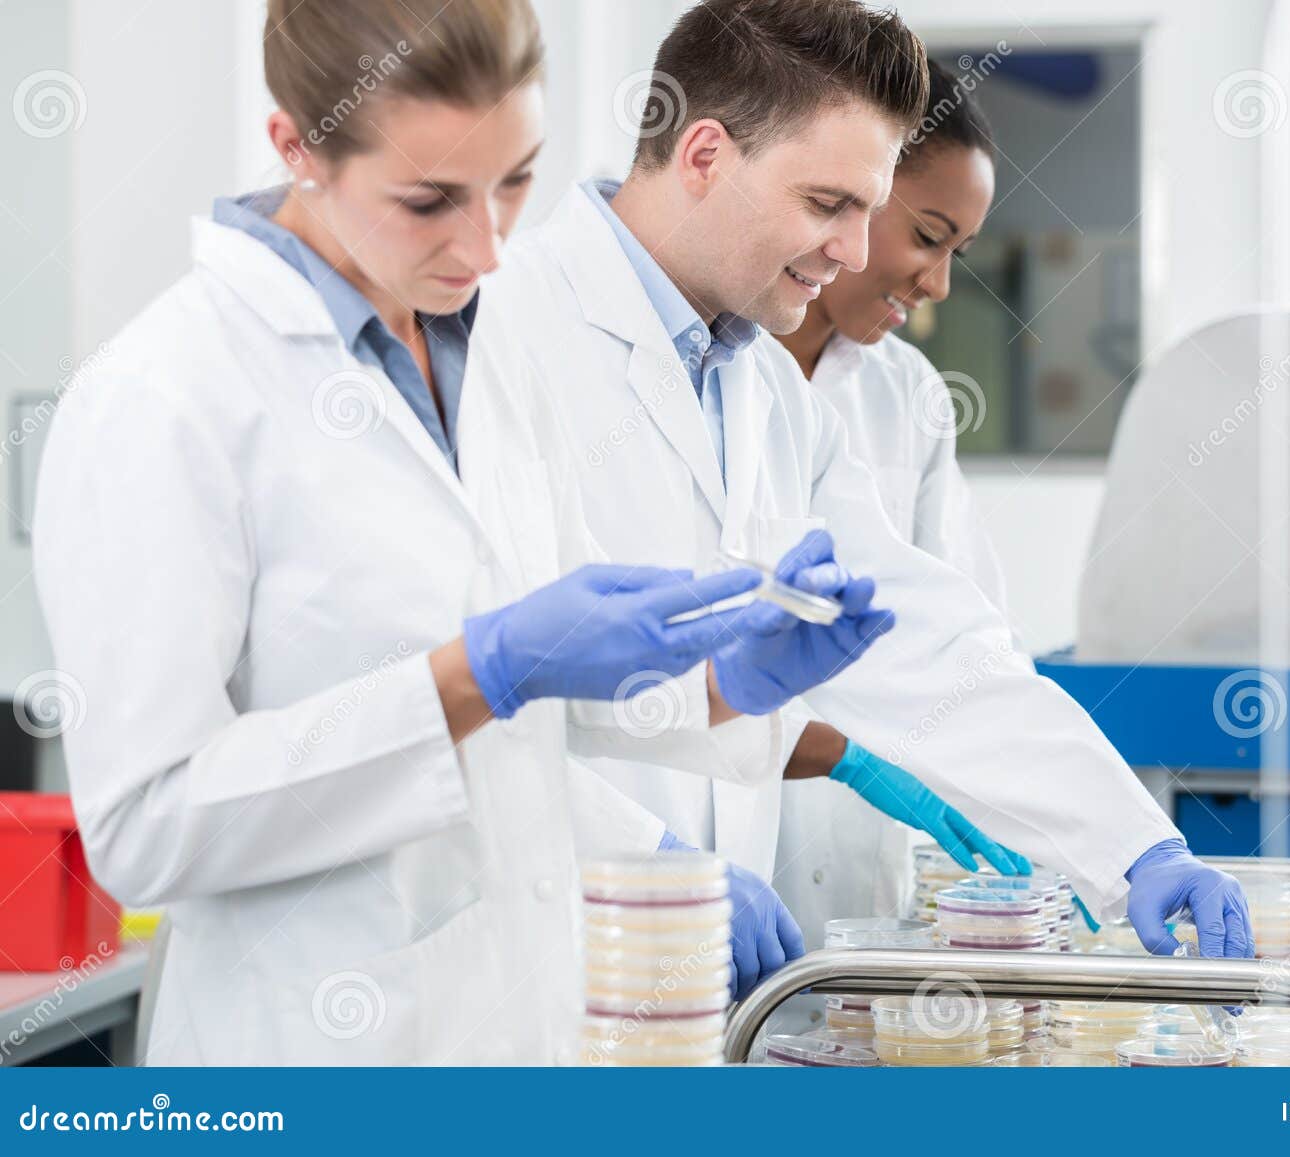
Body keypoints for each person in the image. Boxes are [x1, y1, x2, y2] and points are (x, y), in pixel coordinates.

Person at [30, 0, 888, 1066]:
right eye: (430, 198)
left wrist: (730, 684)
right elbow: (145, 824)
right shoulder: (166, 392)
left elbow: (545, 700)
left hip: (517, 1038)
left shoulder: (480, 350)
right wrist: (472, 673)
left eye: (516, 179)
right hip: (313, 1053)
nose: (485, 244)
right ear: (297, 147)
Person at [466, 0, 1254, 959]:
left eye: (869, 213)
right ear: (705, 155)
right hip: (543, 953)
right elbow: (458, 702)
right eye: (827, 205)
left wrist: (1136, 846)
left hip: (702, 981)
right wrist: (645, 861)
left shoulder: (762, 384)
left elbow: (918, 633)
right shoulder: (497, 332)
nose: (851, 249)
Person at [766, 62, 1017, 941]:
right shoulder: (709, 366)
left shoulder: (906, 393)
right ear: (854, 189)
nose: (939, 283)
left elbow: (961, 632)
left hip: (864, 867)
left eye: (959, 252)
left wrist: (1076, 827)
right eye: (929, 236)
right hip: (707, 861)